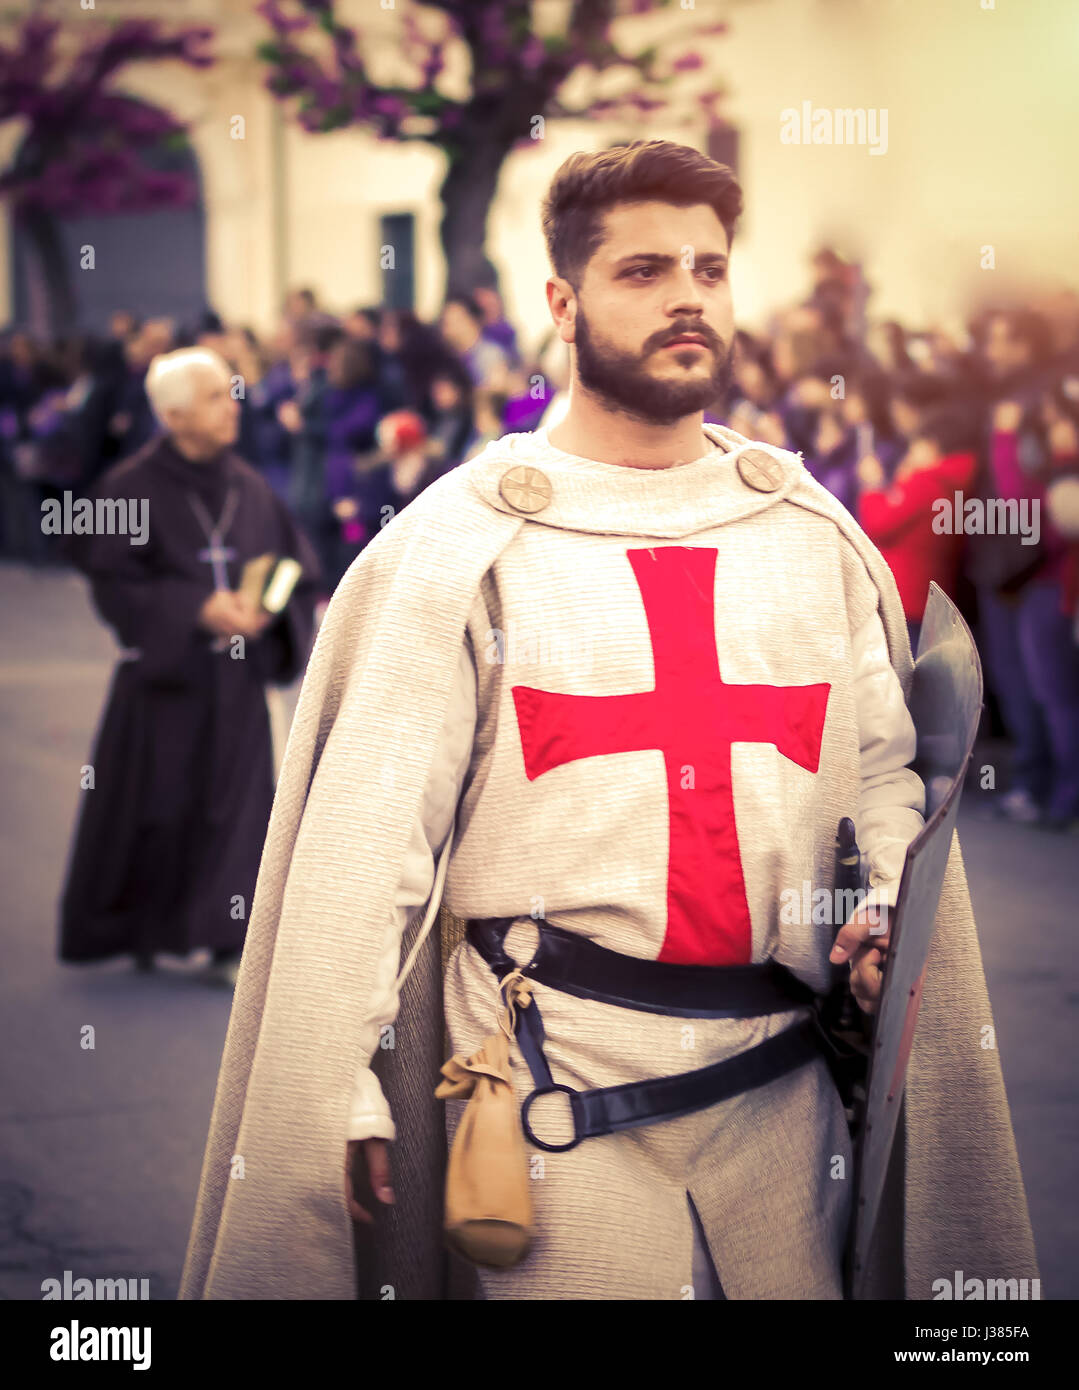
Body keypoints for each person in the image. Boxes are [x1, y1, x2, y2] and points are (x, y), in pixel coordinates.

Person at [180, 141, 1038, 1301]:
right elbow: (373, 842)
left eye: (709, 267)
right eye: (642, 270)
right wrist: (338, 1080)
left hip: (780, 1091)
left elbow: (880, 768)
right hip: (551, 1088)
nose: (688, 295)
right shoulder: (464, 548)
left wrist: (881, 895)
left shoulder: (801, 531)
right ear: (561, 302)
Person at [58, 347, 320, 984]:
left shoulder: (250, 486)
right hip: (165, 685)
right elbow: (111, 582)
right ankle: (144, 927)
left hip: (237, 681)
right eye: (211, 398)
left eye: (228, 394)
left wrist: (267, 610)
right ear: (173, 414)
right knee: (157, 806)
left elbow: (297, 567)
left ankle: (228, 942)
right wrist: (197, 608)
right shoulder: (127, 489)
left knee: (238, 808)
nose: (230, 407)